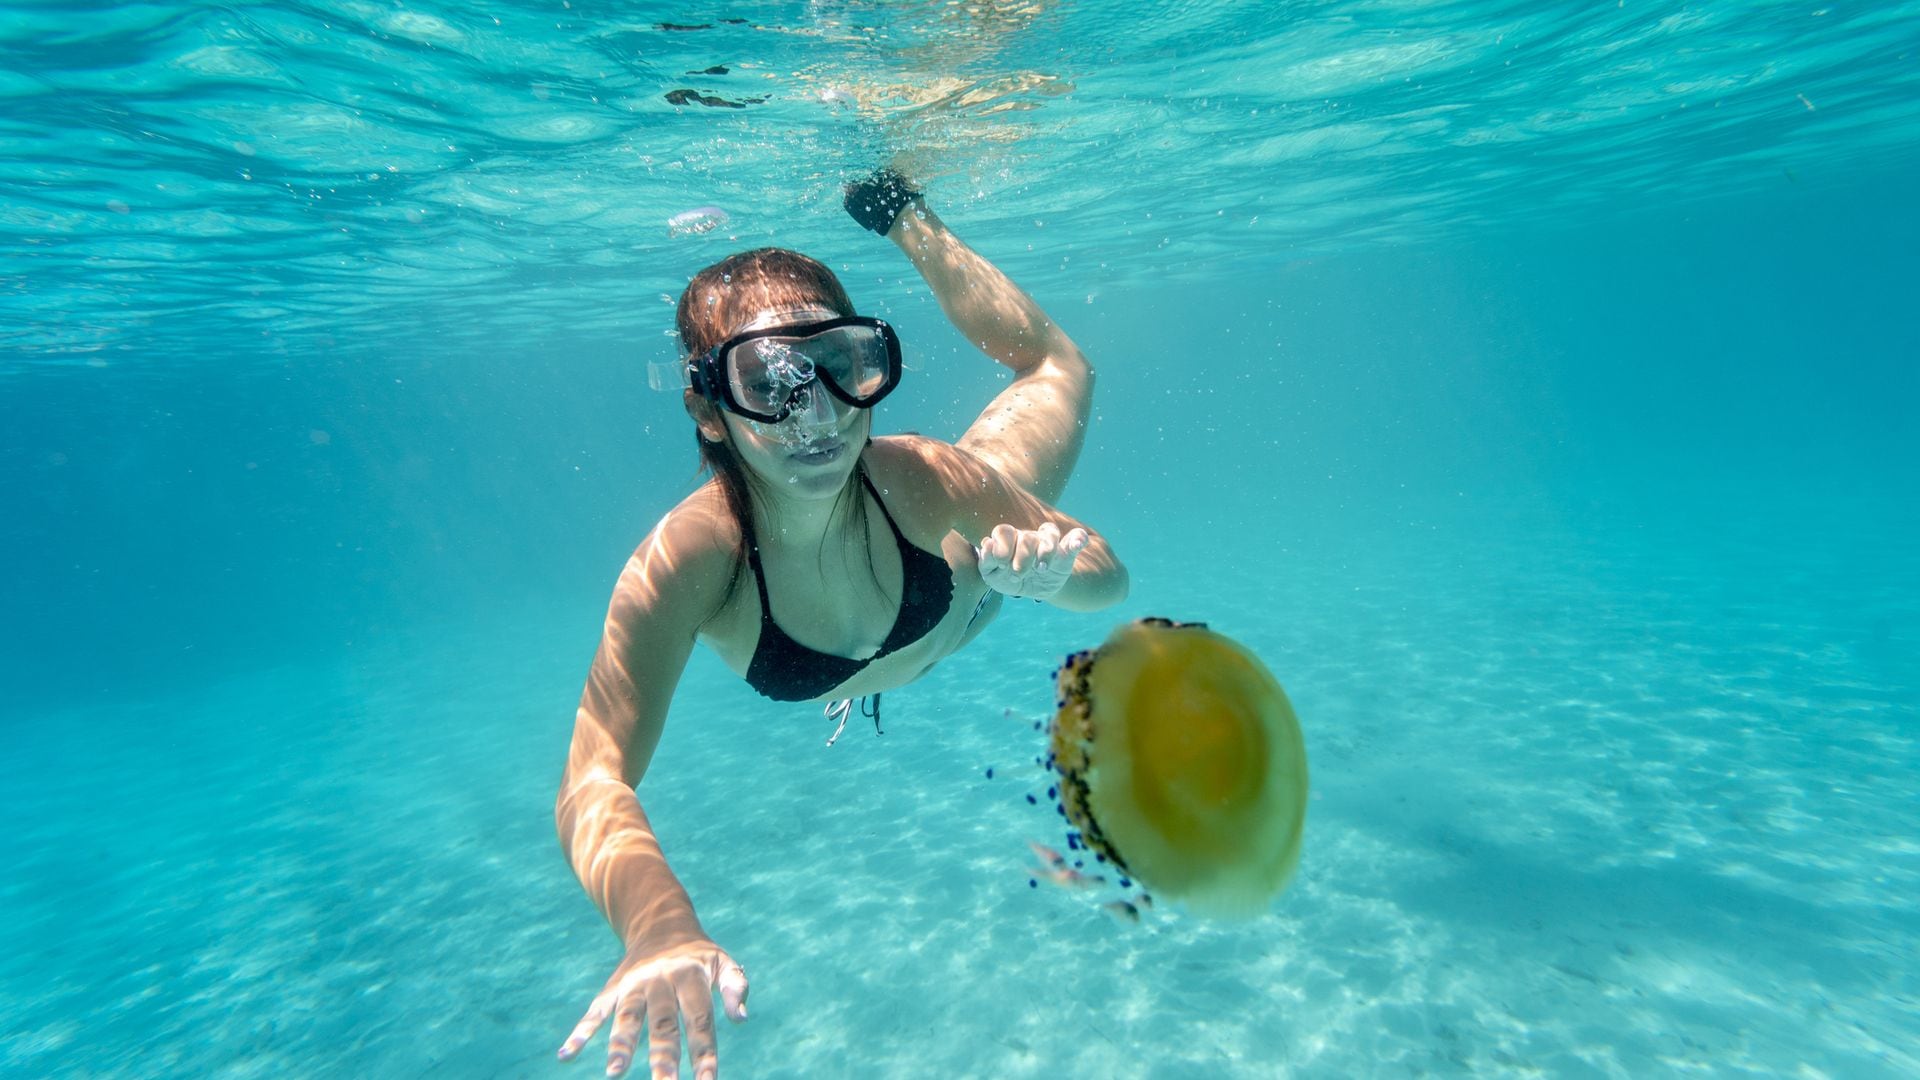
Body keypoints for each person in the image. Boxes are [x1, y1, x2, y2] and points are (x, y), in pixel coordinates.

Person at [553, 171, 1128, 1080]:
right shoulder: (688, 563)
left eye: (842, 366)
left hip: (970, 579)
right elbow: (593, 781)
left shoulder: (936, 477)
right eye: (768, 382)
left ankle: (906, 215)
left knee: (1061, 368)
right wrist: (659, 926)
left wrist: (1054, 573)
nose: (816, 414)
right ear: (708, 408)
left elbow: (1107, 576)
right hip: (919, 592)